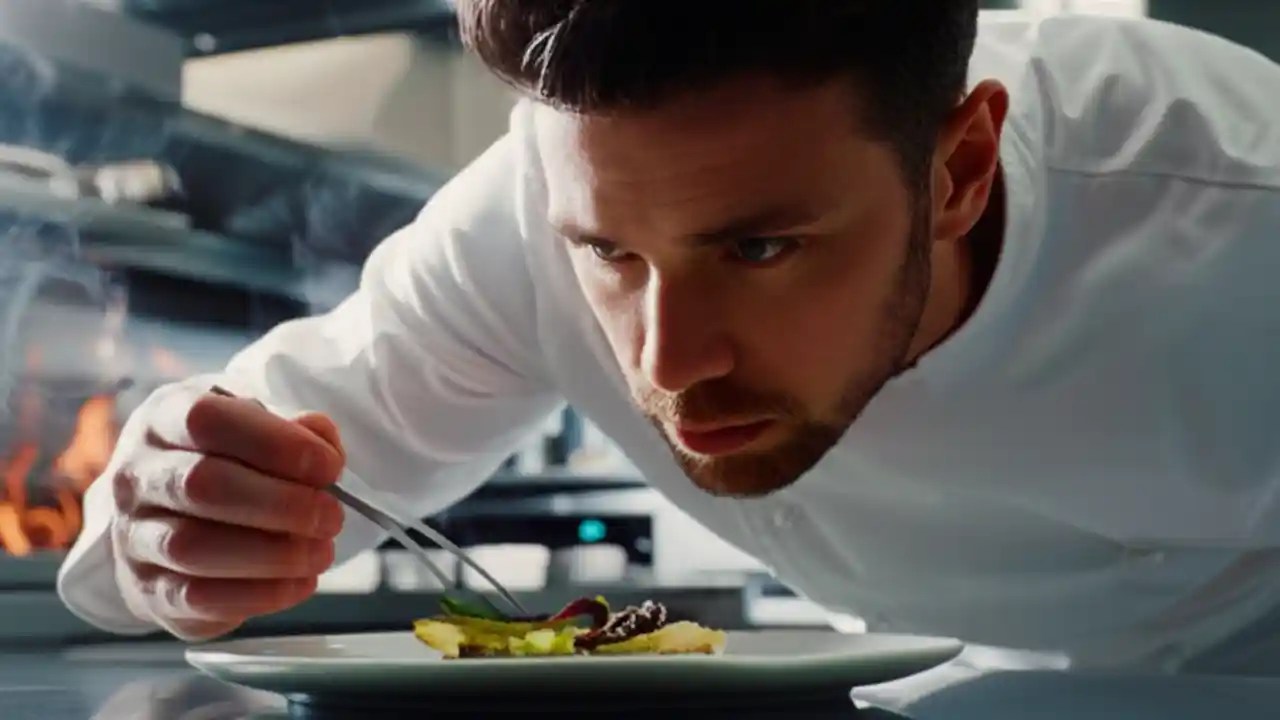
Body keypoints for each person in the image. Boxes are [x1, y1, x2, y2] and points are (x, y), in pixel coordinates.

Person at [58, 0, 1280, 679]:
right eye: (608, 254)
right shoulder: (520, 223)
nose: (665, 364)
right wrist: (172, 520)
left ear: (955, 170)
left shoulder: (1240, 223)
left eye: (760, 248)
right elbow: (147, 536)